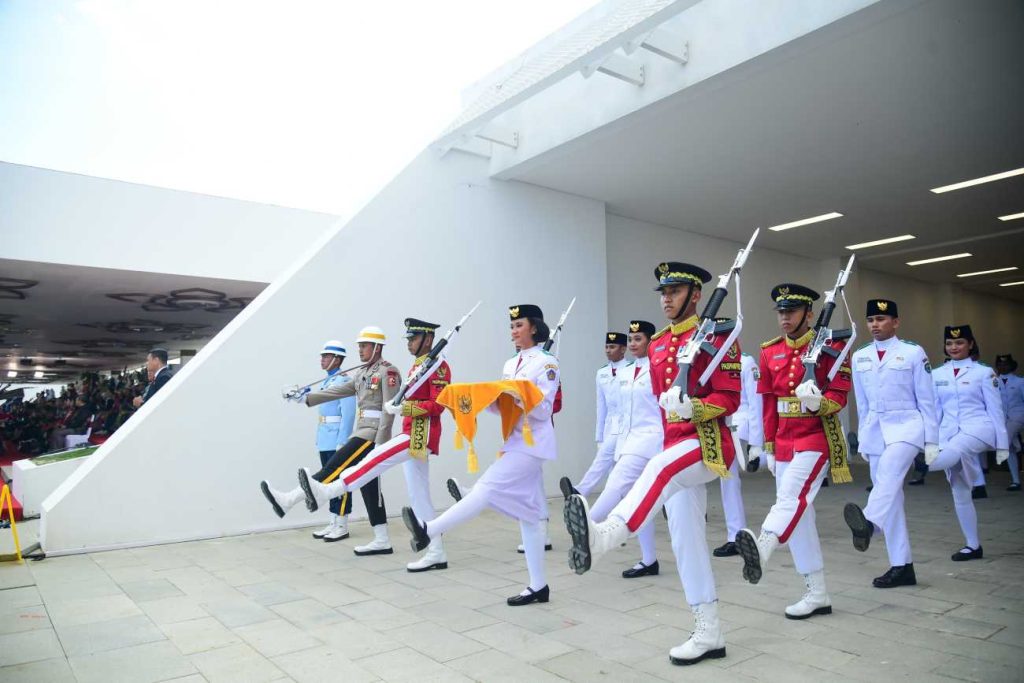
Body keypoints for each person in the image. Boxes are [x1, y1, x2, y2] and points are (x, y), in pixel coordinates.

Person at [563, 262, 742, 666]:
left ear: (696, 295)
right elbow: (663, 412)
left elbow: (731, 398)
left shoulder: (718, 336)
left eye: (675, 291)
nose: (666, 298)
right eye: (663, 292)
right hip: (674, 444)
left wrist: (694, 406)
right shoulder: (659, 345)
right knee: (685, 540)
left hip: (708, 443)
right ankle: (708, 630)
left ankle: (605, 536)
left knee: (657, 469)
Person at [403, 304, 559, 606]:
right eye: (511, 326)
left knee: (486, 488)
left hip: (533, 442)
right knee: (529, 516)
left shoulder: (547, 363)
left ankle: (429, 529)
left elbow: (544, 407)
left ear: (535, 329)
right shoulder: (510, 364)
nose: (513, 331)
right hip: (514, 441)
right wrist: (479, 399)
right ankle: (539, 586)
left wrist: (514, 394)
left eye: (519, 325)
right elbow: (502, 406)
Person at [734, 284, 852, 619]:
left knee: (788, 498)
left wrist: (819, 402)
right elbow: (768, 402)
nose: (784, 318)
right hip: (784, 437)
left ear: (810, 314)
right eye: (781, 312)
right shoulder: (770, 351)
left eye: (792, 312)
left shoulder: (831, 347)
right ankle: (817, 593)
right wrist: (767, 443)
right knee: (800, 517)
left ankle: (762, 546)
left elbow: (840, 395)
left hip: (817, 436)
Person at [297, 319, 453, 572]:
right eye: (409, 339)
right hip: (410, 431)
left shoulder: (439, 367)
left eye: (413, 339)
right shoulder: (419, 365)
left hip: (419, 435)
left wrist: (405, 408)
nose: (409, 343)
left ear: (428, 340)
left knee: (372, 460)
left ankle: (327, 490)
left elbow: (439, 405)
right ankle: (437, 552)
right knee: (419, 497)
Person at [261, 326, 401, 556]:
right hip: (362, 432)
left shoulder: (388, 372)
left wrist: (381, 444)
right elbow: (336, 392)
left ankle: (289, 499)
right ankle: (382, 538)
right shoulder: (362, 373)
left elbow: (389, 409)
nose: (360, 350)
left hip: (371, 436)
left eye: (364, 346)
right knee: (368, 485)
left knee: (333, 468)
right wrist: (303, 397)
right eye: (359, 346)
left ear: (377, 347)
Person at [843, 299, 938, 588]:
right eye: (871, 319)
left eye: (881, 319)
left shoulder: (912, 352)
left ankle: (869, 524)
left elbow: (927, 398)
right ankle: (902, 566)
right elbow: (861, 401)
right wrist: (862, 435)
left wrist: (931, 439)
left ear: (895, 322)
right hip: (876, 431)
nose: (875, 324)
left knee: (888, 475)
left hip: (907, 426)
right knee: (892, 499)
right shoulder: (860, 356)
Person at [560, 320, 664, 578]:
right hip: (629, 442)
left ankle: (586, 525)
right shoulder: (627, 372)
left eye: (638, 339)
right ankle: (649, 559)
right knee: (638, 499)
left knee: (617, 487)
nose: (632, 344)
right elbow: (616, 411)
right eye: (630, 339)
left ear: (650, 341)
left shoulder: (660, 369)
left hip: (653, 440)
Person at [926, 326, 1008, 560]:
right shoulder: (938, 374)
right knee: (960, 491)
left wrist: (1002, 444)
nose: (954, 347)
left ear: (970, 344)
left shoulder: (984, 372)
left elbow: (996, 409)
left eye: (959, 343)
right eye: (950, 344)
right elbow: (936, 411)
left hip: (978, 428)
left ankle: (918, 465)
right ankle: (973, 546)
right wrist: (932, 440)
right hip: (948, 432)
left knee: (956, 449)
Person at [713, 350, 762, 557]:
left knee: (729, 481)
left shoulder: (745, 361)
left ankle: (736, 537)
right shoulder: (712, 360)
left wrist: (755, 441)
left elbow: (755, 401)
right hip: (717, 423)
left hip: (738, 426)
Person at [310, 341, 357, 541]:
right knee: (329, 482)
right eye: (322, 356)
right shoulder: (328, 381)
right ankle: (333, 521)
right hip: (325, 438)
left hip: (337, 438)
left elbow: (348, 414)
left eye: (326, 356)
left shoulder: (344, 382)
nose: (322, 360)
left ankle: (342, 524)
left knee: (340, 482)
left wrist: (343, 440)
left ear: (337, 359)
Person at [574, 333, 629, 496]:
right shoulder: (602, 373)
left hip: (626, 424)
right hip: (609, 426)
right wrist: (599, 437)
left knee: (617, 466)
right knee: (613, 472)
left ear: (623, 349)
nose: (608, 350)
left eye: (612, 347)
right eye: (606, 346)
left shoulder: (631, 369)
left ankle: (579, 490)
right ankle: (617, 512)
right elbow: (601, 406)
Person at [995, 354, 1024, 491]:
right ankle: (1016, 481)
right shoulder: (993, 382)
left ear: (1012, 366)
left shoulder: (1020, 382)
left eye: (1006, 364)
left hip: (1017, 417)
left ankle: (1016, 446)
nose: (1002, 367)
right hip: (1002, 418)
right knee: (1011, 449)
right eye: (1000, 365)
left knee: (1005, 440)